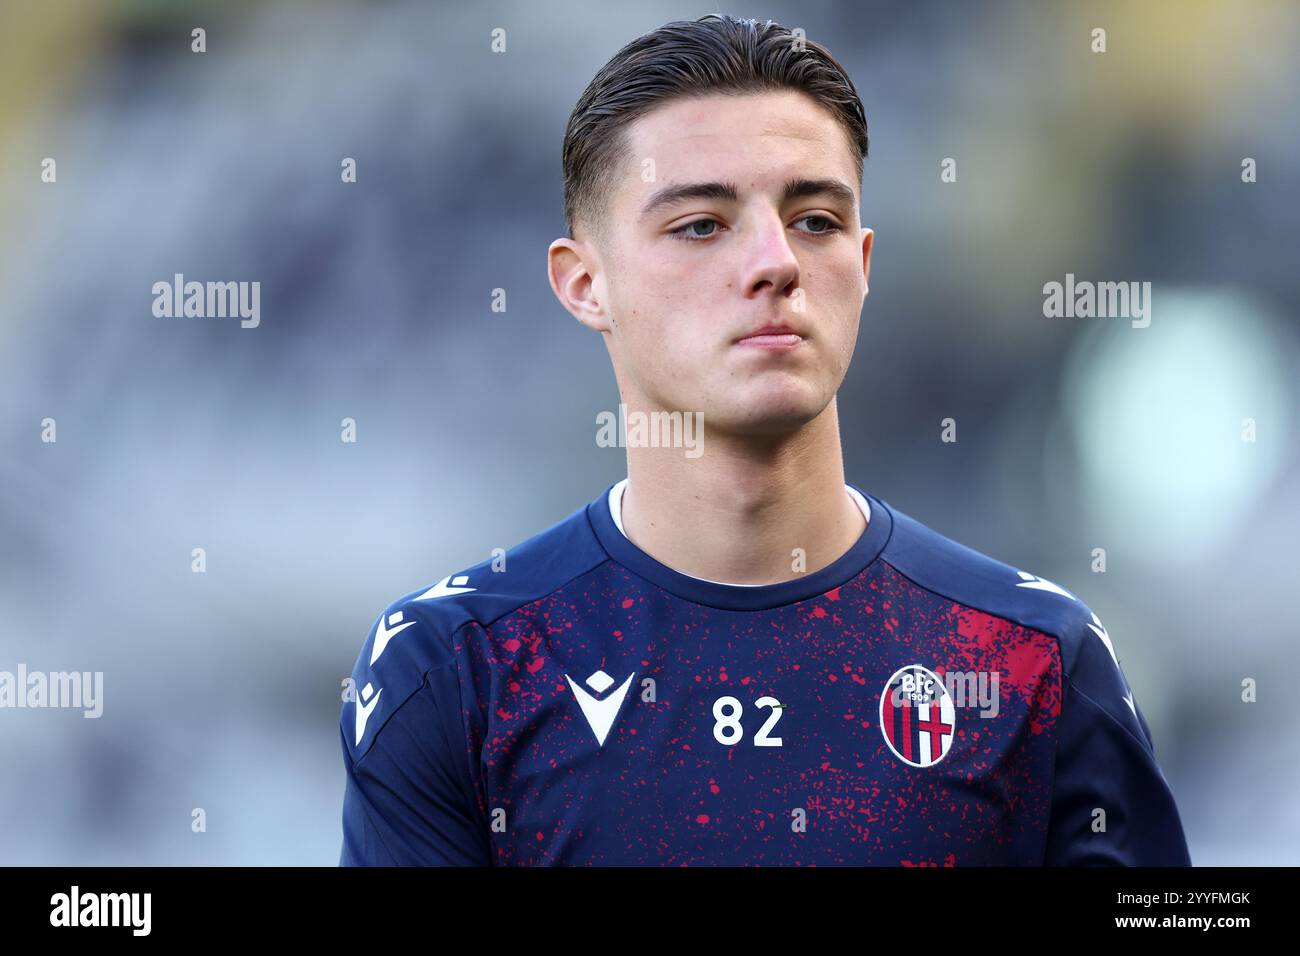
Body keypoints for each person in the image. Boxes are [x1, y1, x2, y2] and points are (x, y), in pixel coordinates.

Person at [338, 14, 1191, 866]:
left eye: (815, 219)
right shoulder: (457, 668)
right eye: (701, 225)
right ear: (585, 283)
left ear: (863, 263)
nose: (776, 261)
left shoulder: (1032, 658)